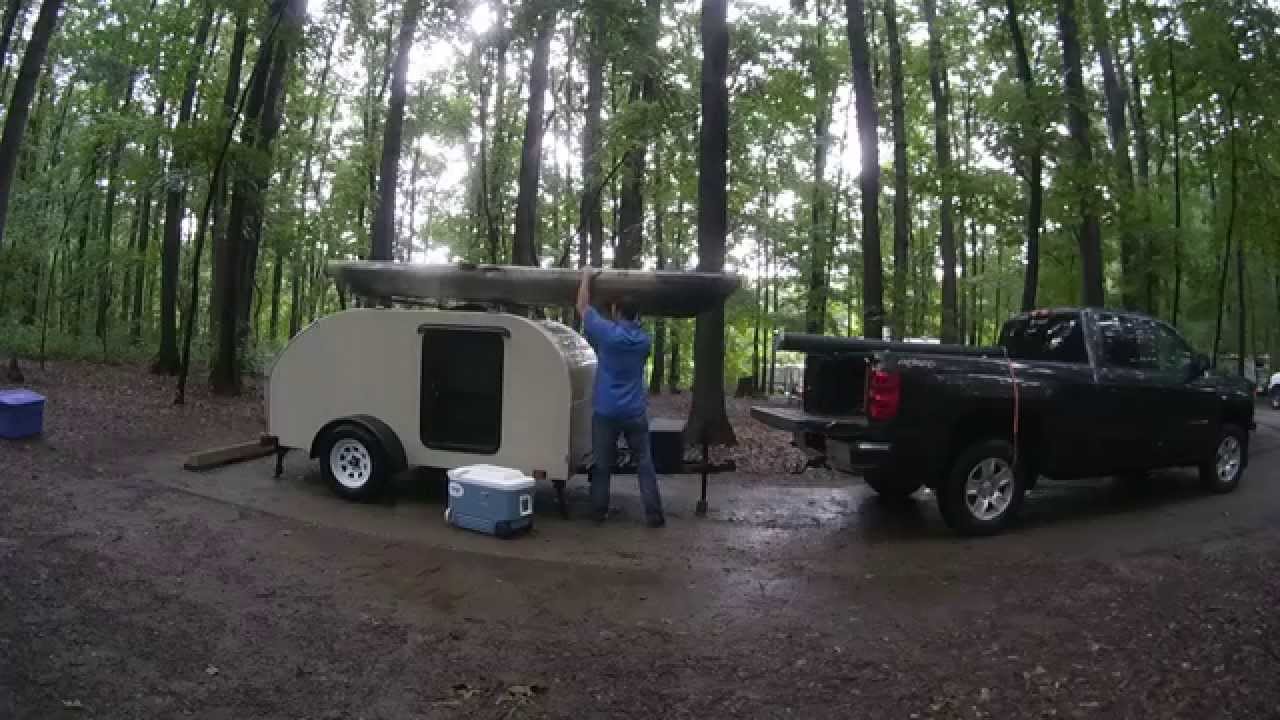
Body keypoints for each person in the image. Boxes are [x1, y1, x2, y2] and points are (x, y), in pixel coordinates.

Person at [576, 268, 665, 528]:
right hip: (634, 412)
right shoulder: (644, 341)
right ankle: (654, 515)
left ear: (615, 312)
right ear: (637, 315)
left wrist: (586, 276)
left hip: (606, 412)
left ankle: (598, 513)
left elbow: (582, 306)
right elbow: (631, 324)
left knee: (602, 465)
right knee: (645, 464)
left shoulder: (607, 335)